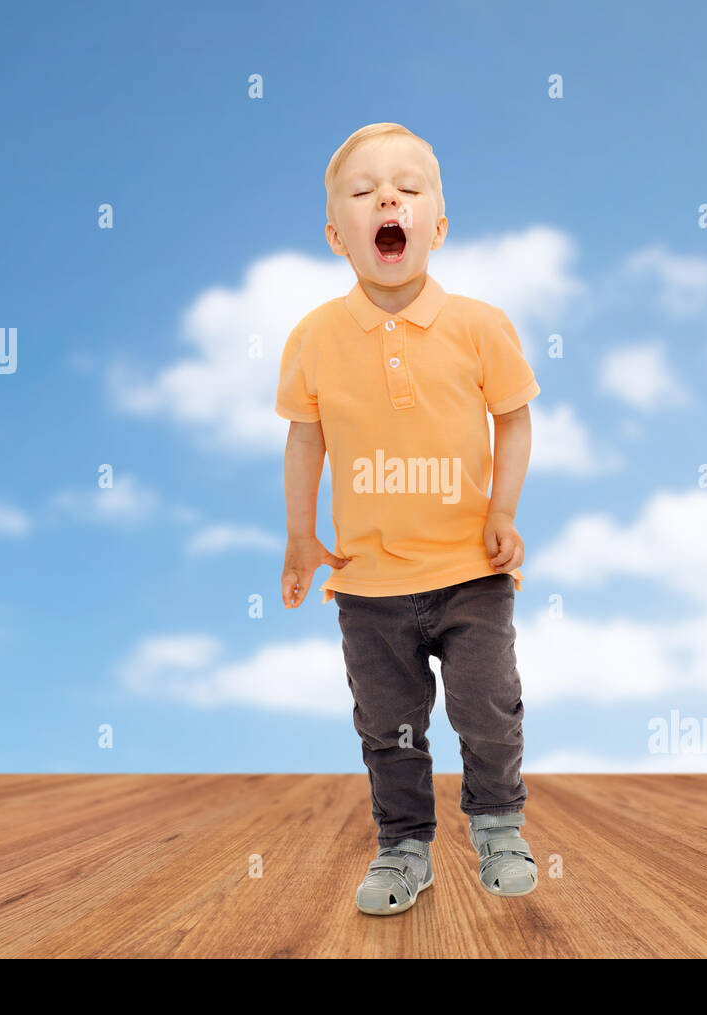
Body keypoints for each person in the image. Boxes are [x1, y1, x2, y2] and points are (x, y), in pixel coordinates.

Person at [276, 123, 540, 915]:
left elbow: (515, 416)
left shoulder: (481, 326)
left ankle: (499, 825)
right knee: (388, 727)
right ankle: (404, 847)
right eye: (363, 192)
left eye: (407, 188)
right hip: (369, 584)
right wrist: (298, 534)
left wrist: (502, 510)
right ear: (337, 235)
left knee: (486, 709)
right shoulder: (315, 338)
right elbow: (305, 438)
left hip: (471, 573)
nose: (386, 198)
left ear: (439, 225)